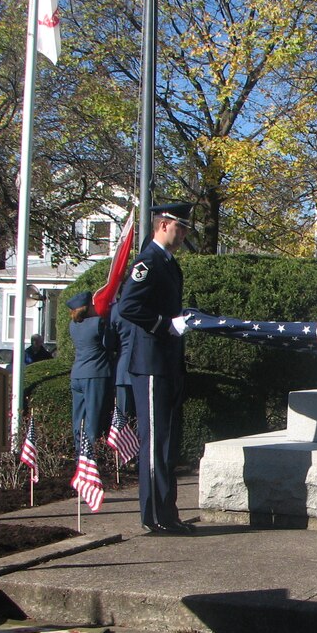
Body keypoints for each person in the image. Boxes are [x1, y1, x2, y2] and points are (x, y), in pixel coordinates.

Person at [115, 202, 195, 536]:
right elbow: (129, 306)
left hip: (166, 363)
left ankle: (167, 511)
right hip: (150, 363)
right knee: (154, 443)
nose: (184, 234)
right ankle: (155, 515)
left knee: (168, 442)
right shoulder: (148, 261)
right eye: (181, 228)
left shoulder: (168, 263)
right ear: (164, 225)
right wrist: (165, 325)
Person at [68, 291, 114, 454]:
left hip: (77, 374)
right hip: (95, 374)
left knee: (78, 418)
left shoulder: (73, 325)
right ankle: (90, 456)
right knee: (93, 419)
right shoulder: (97, 322)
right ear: (88, 307)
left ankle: (79, 455)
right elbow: (110, 343)